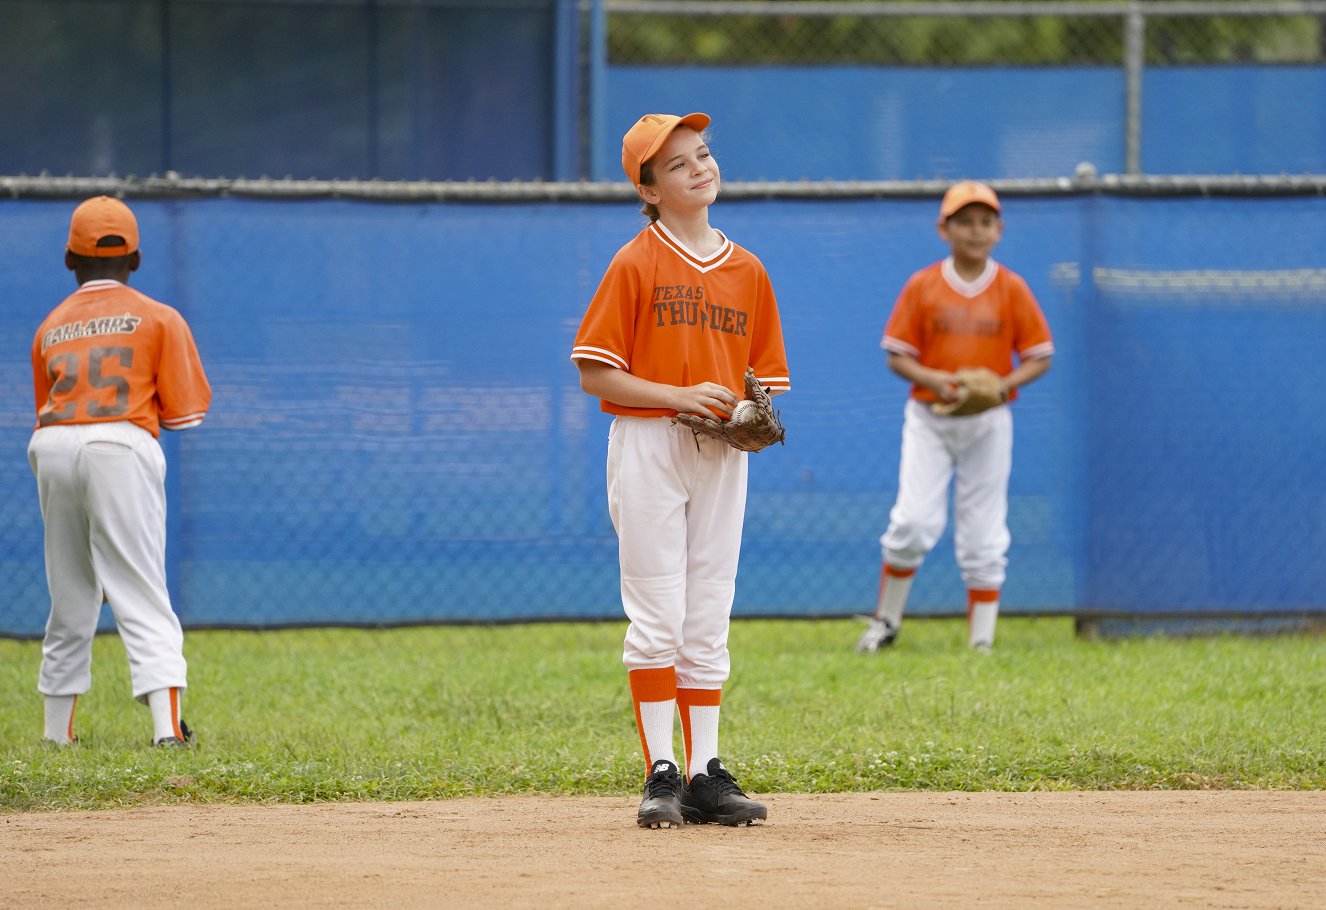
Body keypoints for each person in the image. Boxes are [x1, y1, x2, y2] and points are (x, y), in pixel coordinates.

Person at [570, 112, 790, 828]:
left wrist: (744, 417)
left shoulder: (748, 270)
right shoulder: (636, 261)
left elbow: (764, 384)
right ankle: (660, 771)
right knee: (657, 611)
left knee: (708, 612)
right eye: (678, 164)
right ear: (650, 189)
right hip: (648, 446)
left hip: (721, 454)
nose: (700, 167)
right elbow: (596, 375)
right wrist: (676, 395)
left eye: (704, 154)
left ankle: (705, 773)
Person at [29, 195, 212, 747]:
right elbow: (185, 414)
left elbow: (47, 410)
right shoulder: (158, 316)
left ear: (68, 260)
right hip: (121, 442)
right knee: (141, 589)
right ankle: (165, 732)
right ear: (135, 259)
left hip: (54, 446)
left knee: (71, 592)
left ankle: (56, 737)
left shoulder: (49, 326)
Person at [856, 180, 1053, 654]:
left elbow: (1039, 355)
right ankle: (887, 622)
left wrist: (1001, 386)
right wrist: (939, 379)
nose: (975, 231)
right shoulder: (924, 284)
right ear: (943, 229)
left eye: (985, 222)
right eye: (964, 221)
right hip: (930, 416)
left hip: (989, 422)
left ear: (999, 230)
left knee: (985, 532)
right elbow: (896, 355)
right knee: (914, 523)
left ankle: (981, 641)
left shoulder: (1011, 287)